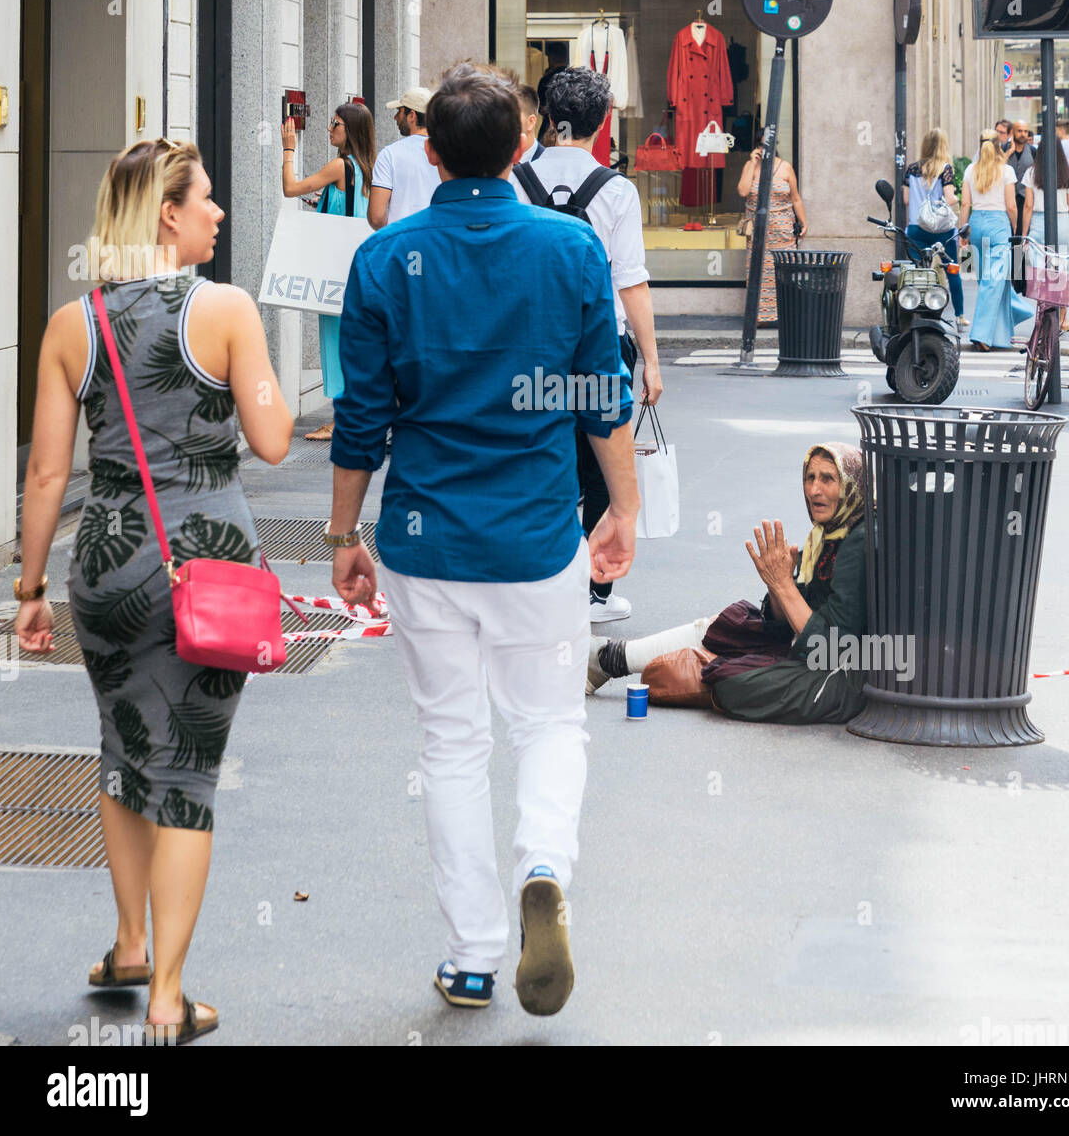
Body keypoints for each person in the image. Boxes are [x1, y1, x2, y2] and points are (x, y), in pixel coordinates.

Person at [325, 63, 639, 1016]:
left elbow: (359, 416)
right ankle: (543, 864)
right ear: (519, 147)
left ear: (427, 150)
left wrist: (345, 533)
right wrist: (621, 509)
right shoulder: (571, 250)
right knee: (548, 722)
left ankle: (469, 955)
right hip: (538, 538)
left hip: (425, 542)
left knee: (451, 745)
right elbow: (601, 398)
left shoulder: (385, 259)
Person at [14, 139, 293, 1045]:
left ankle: (130, 945)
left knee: (123, 747)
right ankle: (168, 998)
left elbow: (50, 475)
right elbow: (276, 437)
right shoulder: (226, 309)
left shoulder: (72, 321)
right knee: (187, 776)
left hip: (105, 560)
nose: (218, 213)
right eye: (206, 200)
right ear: (167, 214)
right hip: (206, 560)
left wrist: (29, 587)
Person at [511, 65, 662, 624]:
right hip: (601, 344)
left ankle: (538, 579)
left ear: (549, 120)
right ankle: (593, 593)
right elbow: (632, 281)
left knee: (537, 456)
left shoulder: (513, 181)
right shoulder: (617, 191)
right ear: (602, 126)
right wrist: (650, 360)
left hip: (528, 347)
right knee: (602, 461)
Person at [588, 443, 870, 723]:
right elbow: (782, 620)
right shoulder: (826, 534)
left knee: (731, 683)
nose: (814, 490)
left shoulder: (857, 543)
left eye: (827, 479)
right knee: (727, 623)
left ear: (850, 485)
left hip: (840, 671)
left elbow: (831, 646)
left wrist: (784, 585)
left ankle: (621, 660)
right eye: (810, 477)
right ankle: (610, 657)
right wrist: (777, 585)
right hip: (806, 646)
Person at [282, 102, 374, 442]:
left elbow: (290, 188)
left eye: (335, 123)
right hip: (360, 266)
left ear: (349, 129)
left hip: (335, 267)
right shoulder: (369, 167)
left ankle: (340, 421)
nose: (330, 129)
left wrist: (289, 150)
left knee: (335, 341)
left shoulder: (340, 165)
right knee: (355, 342)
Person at [959, 129, 1033, 352]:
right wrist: (1015, 228)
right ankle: (982, 334)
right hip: (999, 224)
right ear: (998, 146)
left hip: (976, 225)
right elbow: (1011, 205)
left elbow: (964, 205)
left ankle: (1001, 334)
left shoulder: (971, 170)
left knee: (988, 281)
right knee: (993, 283)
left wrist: (962, 234)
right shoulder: (1006, 170)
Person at [736, 133, 807, 325]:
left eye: (767, 144)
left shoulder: (785, 167)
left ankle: (788, 314)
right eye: (760, 144)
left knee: (786, 271)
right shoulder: (750, 167)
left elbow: (795, 198)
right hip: (758, 233)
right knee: (758, 273)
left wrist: (804, 221)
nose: (763, 148)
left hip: (782, 232)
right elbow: (743, 191)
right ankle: (760, 317)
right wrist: (752, 163)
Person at [901, 127, 966, 326]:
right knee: (952, 270)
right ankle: (960, 315)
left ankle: (916, 313)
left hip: (916, 228)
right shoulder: (945, 169)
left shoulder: (911, 169)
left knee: (917, 272)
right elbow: (950, 198)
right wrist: (959, 197)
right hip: (942, 230)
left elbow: (905, 200)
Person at [1022, 151, 1069, 333]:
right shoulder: (1067, 174)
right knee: (1061, 270)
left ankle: (1043, 315)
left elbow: (1028, 206)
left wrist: (1024, 233)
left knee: (1040, 272)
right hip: (1062, 222)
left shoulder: (1031, 173)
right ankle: (1062, 319)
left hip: (1038, 222)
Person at [368, 88, 441, 229]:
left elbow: (376, 217)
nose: (395, 117)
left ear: (412, 116)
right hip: (438, 242)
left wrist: (392, 233)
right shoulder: (450, 153)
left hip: (402, 242)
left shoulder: (390, 154)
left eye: (399, 112)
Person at [1006, 121, 1034, 217]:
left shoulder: (1032, 151)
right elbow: (997, 167)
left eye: (1025, 131)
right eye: (1019, 131)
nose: (1023, 134)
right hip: (1007, 199)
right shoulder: (1004, 148)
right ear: (1012, 132)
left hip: (1026, 199)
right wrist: (1009, 152)